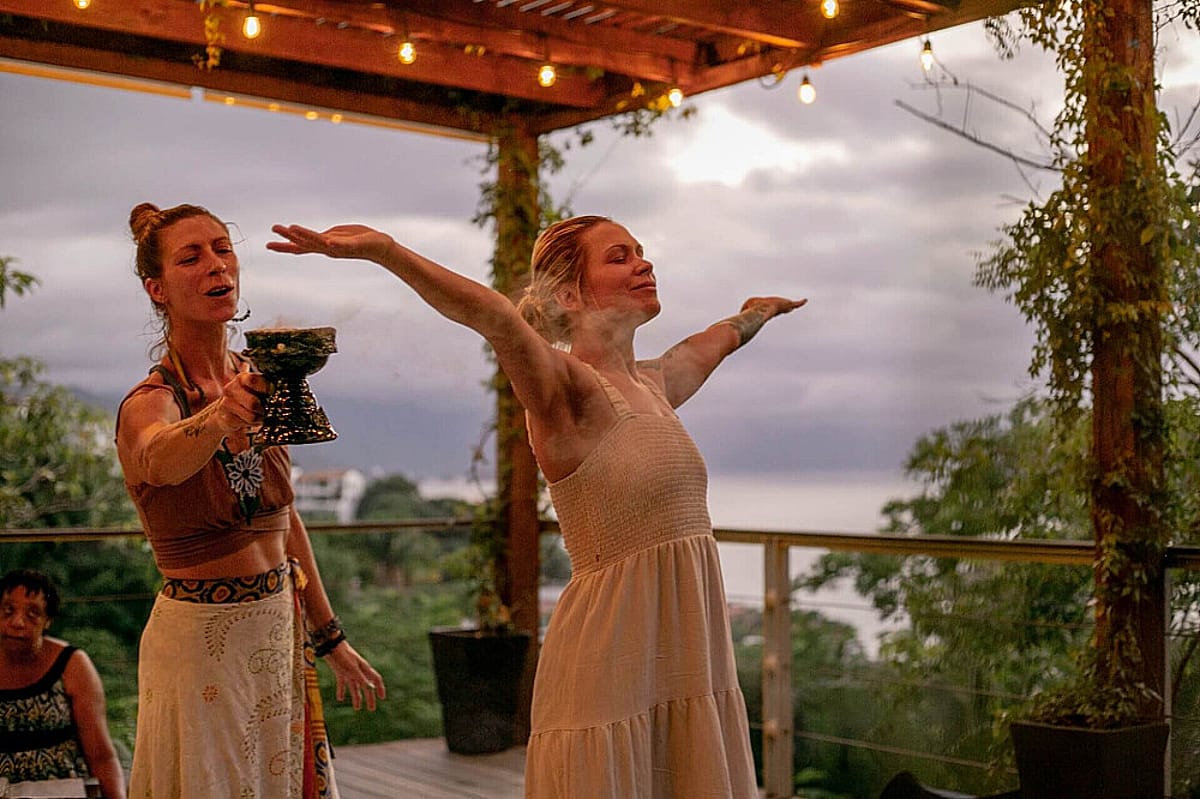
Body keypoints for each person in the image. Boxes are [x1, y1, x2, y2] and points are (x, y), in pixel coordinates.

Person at [267, 214, 805, 798]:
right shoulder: (566, 389)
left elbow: (718, 340)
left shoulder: (656, 385)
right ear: (570, 294)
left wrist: (758, 312)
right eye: (620, 256)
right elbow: (492, 316)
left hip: (684, 667)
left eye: (642, 253)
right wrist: (387, 251)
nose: (643, 264)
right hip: (610, 666)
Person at [115, 202, 385, 799]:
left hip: (276, 626)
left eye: (222, 248)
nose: (216, 264)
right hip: (200, 641)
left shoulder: (256, 377)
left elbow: (284, 523)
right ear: (156, 289)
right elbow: (156, 459)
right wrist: (218, 417)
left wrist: (331, 637)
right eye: (191, 256)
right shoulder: (151, 399)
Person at [0, 569, 127, 799]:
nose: (17, 622)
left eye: (32, 614)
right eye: (8, 611)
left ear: (47, 621)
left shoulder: (72, 664)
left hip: (62, 790)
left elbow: (101, 756)